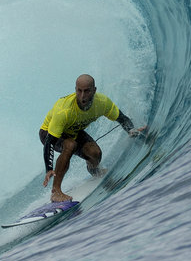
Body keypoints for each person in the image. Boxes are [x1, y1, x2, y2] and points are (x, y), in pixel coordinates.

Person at [40, 74, 146, 202]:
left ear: (94, 90)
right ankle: (56, 192)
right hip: (48, 133)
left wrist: (132, 130)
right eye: (79, 91)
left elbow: (121, 118)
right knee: (70, 145)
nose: (82, 96)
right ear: (75, 90)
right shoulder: (63, 110)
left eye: (86, 91)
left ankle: (94, 171)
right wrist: (49, 168)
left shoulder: (102, 103)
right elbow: (50, 142)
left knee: (95, 153)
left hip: (73, 131)